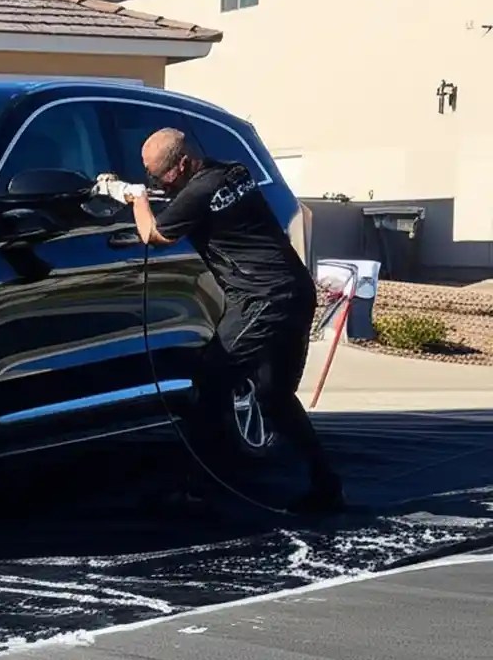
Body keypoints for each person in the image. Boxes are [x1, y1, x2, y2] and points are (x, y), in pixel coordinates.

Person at [97, 128, 344, 515]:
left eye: (158, 176)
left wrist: (135, 196)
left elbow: (153, 233)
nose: (153, 181)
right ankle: (325, 485)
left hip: (261, 300)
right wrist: (152, 192)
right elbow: (198, 199)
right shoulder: (233, 172)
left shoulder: (197, 193)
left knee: (210, 382)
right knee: (274, 396)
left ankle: (202, 488)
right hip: (295, 291)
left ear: (182, 165)